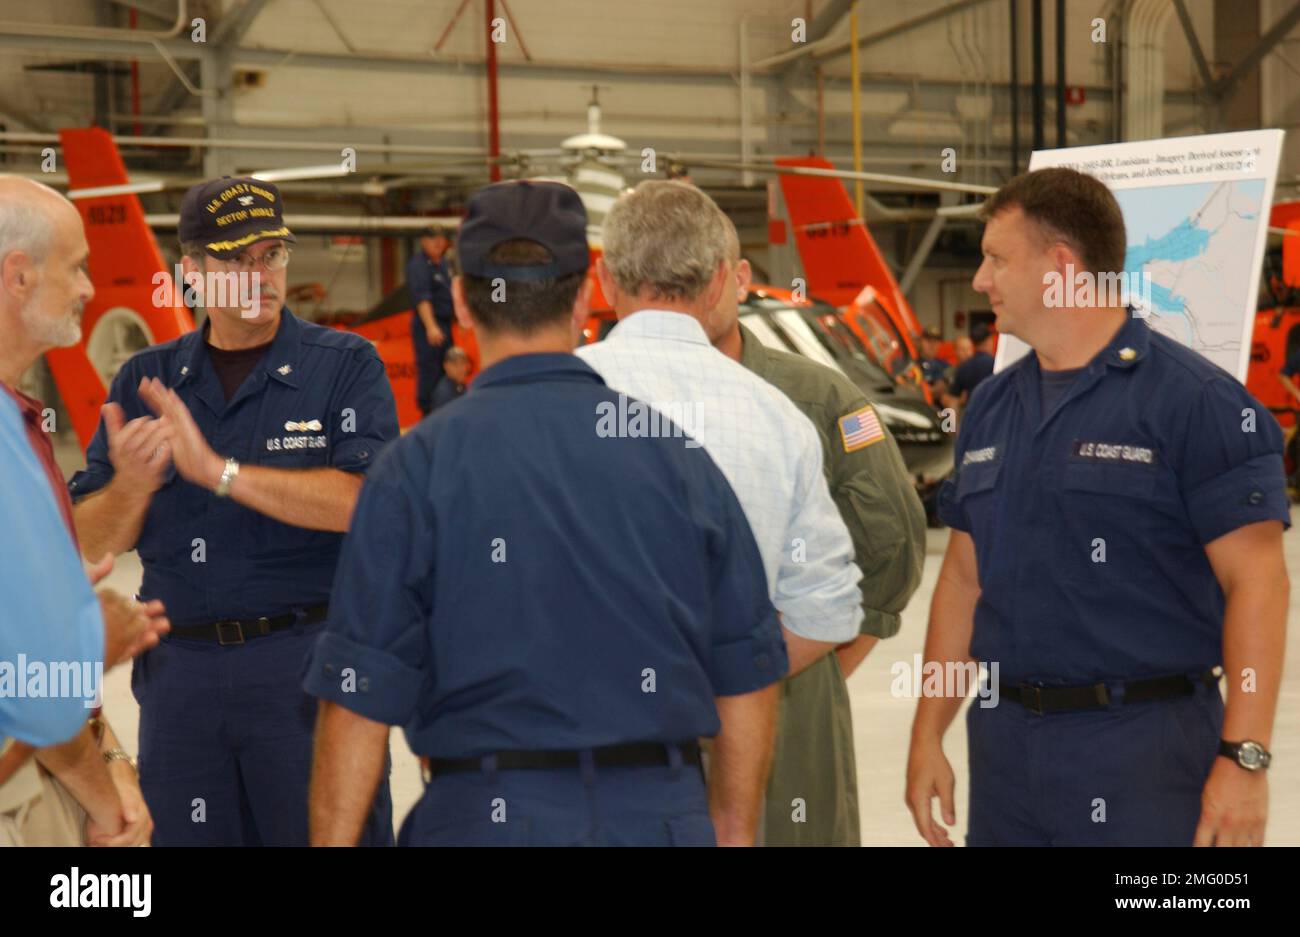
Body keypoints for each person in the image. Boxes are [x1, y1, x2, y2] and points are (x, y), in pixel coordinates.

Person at [305, 180, 787, 847]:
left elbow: (356, 699)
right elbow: (747, 672)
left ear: (462, 303)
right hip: (658, 815)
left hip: (483, 816)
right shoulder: (678, 459)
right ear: (588, 295)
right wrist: (731, 831)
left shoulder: (413, 471)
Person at [906, 167, 1289, 847]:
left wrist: (1245, 758)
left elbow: (1257, 581)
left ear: (1061, 267)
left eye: (997, 258)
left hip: (1146, 753)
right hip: (1005, 752)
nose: (979, 281)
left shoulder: (1196, 404)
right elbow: (964, 578)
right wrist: (929, 730)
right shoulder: (992, 408)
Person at [68, 176, 400, 846]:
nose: (260, 274)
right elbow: (86, 538)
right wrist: (131, 483)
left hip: (306, 669)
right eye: (236, 259)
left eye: (271, 253)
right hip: (181, 680)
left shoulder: (344, 366)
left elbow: (368, 503)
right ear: (191, 273)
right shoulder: (145, 381)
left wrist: (217, 472)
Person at [578, 180, 863, 679]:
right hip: (730, 738)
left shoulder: (557, 396)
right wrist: (724, 692)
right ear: (718, 282)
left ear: (603, 278)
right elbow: (826, 610)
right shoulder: (779, 418)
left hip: (580, 732)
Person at [708, 218, 926, 846]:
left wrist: (820, 659)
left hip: (789, 692)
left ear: (740, 278)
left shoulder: (820, 395)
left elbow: (892, 539)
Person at [0, 176, 169, 846]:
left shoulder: (19, 423)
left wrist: (114, 767)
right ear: (18, 276)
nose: (88, 290)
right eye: (76, 269)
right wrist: (110, 802)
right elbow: (27, 674)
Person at [407, 225, 455, 416]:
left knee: (446, 368)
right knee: (430, 370)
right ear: (423, 241)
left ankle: (443, 411)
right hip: (429, 324)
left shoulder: (443, 263)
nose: (438, 242)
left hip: (445, 323)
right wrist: (431, 327)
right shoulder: (419, 265)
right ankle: (427, 413)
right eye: (433, 239)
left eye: (441, 238)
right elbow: (422, 298)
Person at [940, 323, 995, 408]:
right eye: (962, 349)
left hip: (971, 413)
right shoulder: (997, 364)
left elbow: (953, 400)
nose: (966, 352)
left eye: (968, 349)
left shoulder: (964, 368)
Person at [429, 346, 470, 411]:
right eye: (455, 364)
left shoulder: (460, 386)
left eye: (463, 363)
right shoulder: (443, 394)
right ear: (446, 366)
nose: (460, 368)